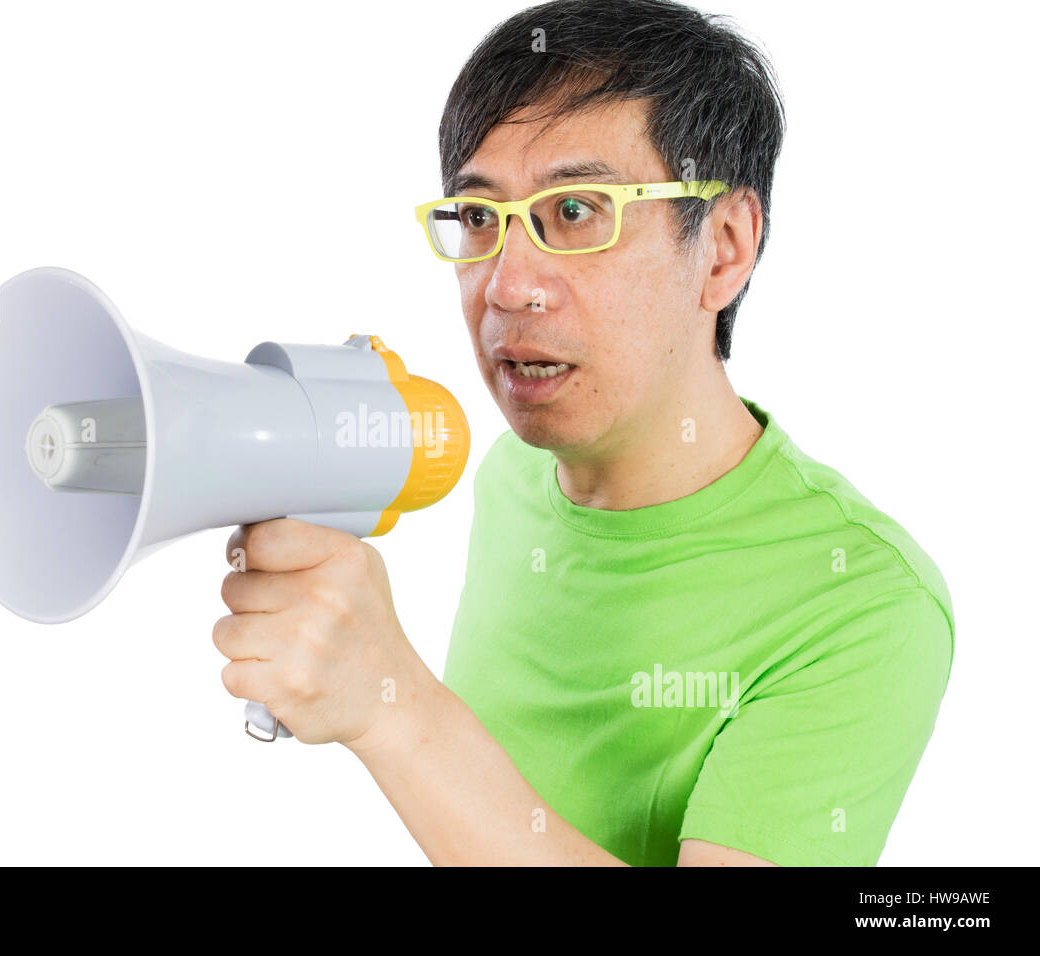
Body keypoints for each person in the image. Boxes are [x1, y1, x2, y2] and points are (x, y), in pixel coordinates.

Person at [213, 0, 953, 866]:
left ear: (722, 248)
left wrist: (392, 706)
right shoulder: (511, 474)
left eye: (576, 212)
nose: (507, 286)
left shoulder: (865, 607)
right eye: (481, 218)